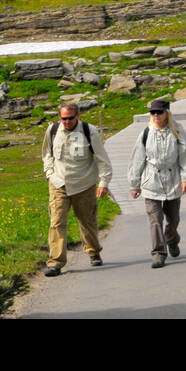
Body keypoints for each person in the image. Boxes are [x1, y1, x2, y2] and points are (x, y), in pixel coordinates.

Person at [42, 101, 113, 277]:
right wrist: (49, 173)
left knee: (87, 221)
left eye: (70, 118)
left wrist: (103, 183)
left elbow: (102, 159)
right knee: (57, 222)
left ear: (77, 116)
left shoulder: (89, 132)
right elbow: (46, 154)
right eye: (63, 118)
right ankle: (56, 262)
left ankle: (93, 251)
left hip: (84, 184)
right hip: (58, 183)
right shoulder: (52, 131)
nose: (66, 122)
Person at [129, 98, 186, 269]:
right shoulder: (146, 133)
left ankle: (172, 240)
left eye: (159, 112)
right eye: (153, 112)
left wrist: (185, 178)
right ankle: (159, 253)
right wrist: (134, 184)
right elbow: (137, 159)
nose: (156, 116)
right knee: (155, 219)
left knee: (173, 219)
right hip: (151, 180)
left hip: (172, 178)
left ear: (167, 113)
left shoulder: (178, 132)